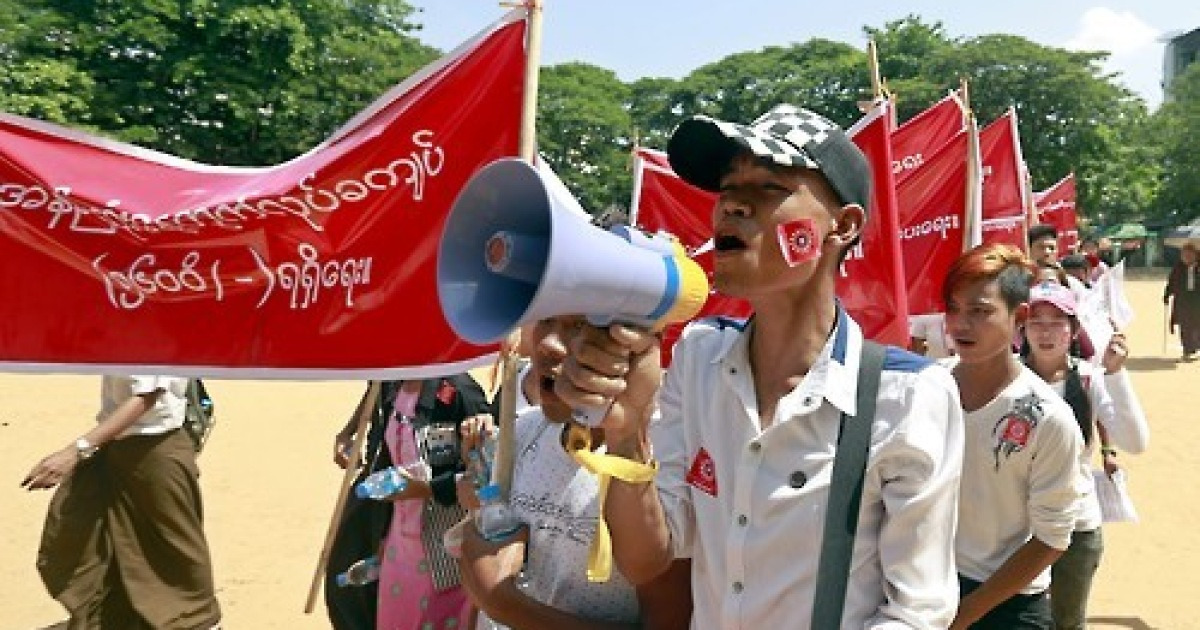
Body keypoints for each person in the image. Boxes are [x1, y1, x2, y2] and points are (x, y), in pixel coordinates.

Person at [558, 104, 965, 628]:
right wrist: (627, 434)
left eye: (769, 188)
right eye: (727, 187)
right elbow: (647, 558)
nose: (731, 206)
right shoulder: (698, 357)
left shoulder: (908, 396)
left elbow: (917, 612)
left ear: (843, 224)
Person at [456, 315, 693, 629]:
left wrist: (504, 604)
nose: (547, 346)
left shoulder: (666, 458)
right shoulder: (524, 433)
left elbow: (668, 623)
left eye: (579, 327)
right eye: (545, 321)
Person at [940, 244, 1088, 629]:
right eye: (953, 309)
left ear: (1018, 316)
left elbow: (1052, 538)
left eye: (980, 311)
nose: (960, 325)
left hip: (1007, 606)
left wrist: (967, 613)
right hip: (928, 590)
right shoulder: (925, 390)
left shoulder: (1049, 420)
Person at [22, 375, 222, 629]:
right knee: (88, 540)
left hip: (155, 451)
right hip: (115, 447)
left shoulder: (154, 337)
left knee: (175, 552)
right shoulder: (121, 336)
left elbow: (145, 398)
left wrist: (75, 451)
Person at [1020, 281, 1149, 630]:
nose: (1046, 332)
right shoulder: (1004, 380)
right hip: (1015, 528)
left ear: (1074, 329)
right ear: (1022, 327)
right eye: (1036, 321)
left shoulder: (1090, 379)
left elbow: (1135, 441)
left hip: (1075, 527)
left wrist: (1116, 374)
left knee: (1068, 621)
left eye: (1057, 321)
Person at [328, 375, 492, 630]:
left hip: (446, 558)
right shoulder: (392, 385)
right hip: (398, 549)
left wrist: (427, 488)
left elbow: (486, 480)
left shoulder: (459, 392)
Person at [1164, 242, 1200, 361]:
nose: (1186, 257)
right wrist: (1167, 295)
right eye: (1184, 255)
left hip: (1197, 299)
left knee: (1196, 324)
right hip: (1182, 300)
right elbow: (1172, 282)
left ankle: (1195, 347)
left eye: (1189, 255)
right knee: (1184, 325)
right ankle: (1187, 349)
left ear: (1195, 255)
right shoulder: (1178, 267)